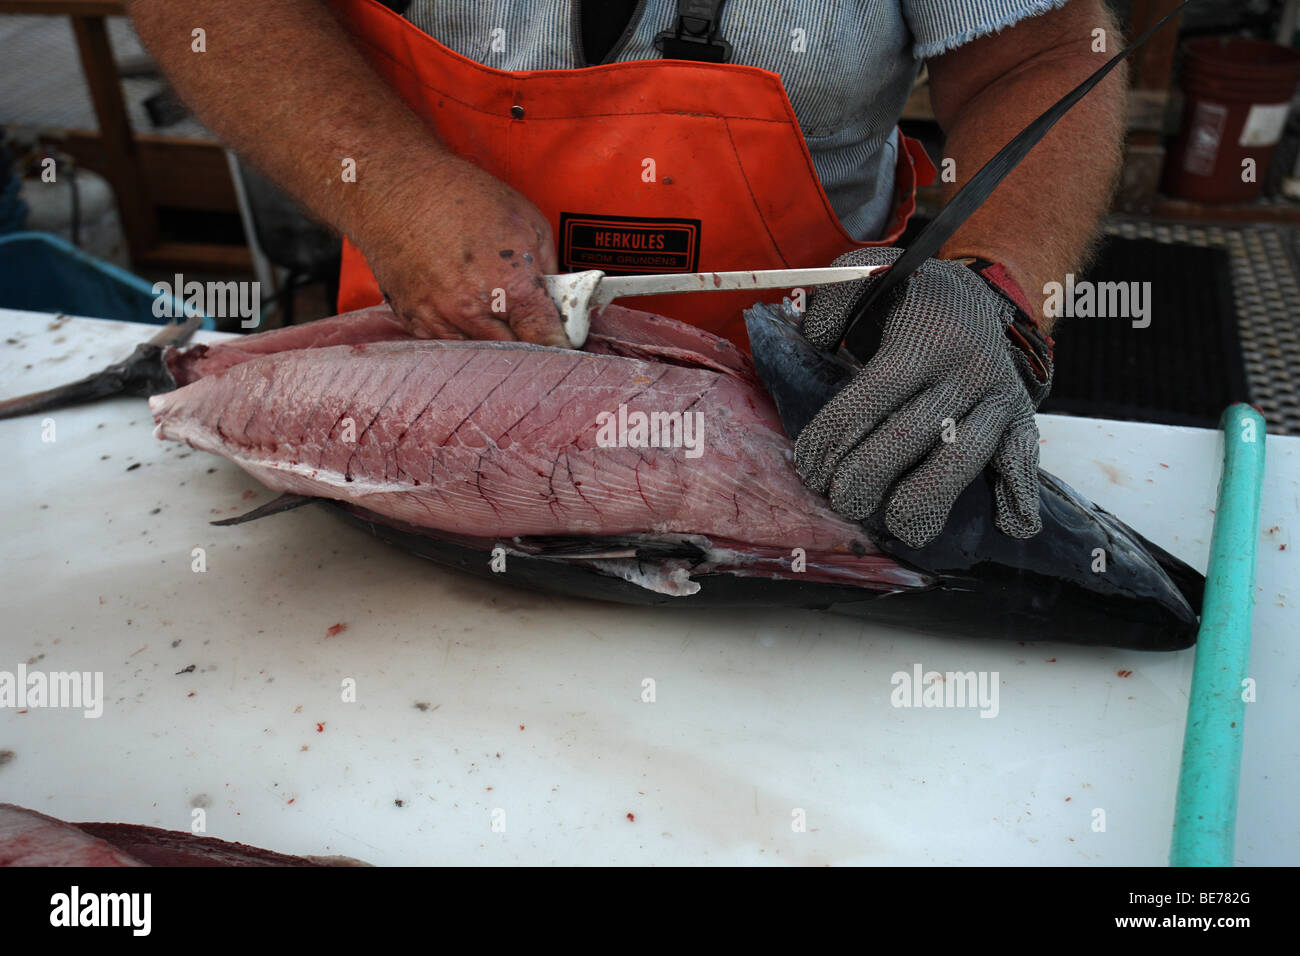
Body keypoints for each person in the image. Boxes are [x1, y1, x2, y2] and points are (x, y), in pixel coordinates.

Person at [129, 0, 1126, 548]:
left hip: (816, 431)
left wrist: (993, 280)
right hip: (412, 409)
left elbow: (1040, 53)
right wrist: (392, 188)